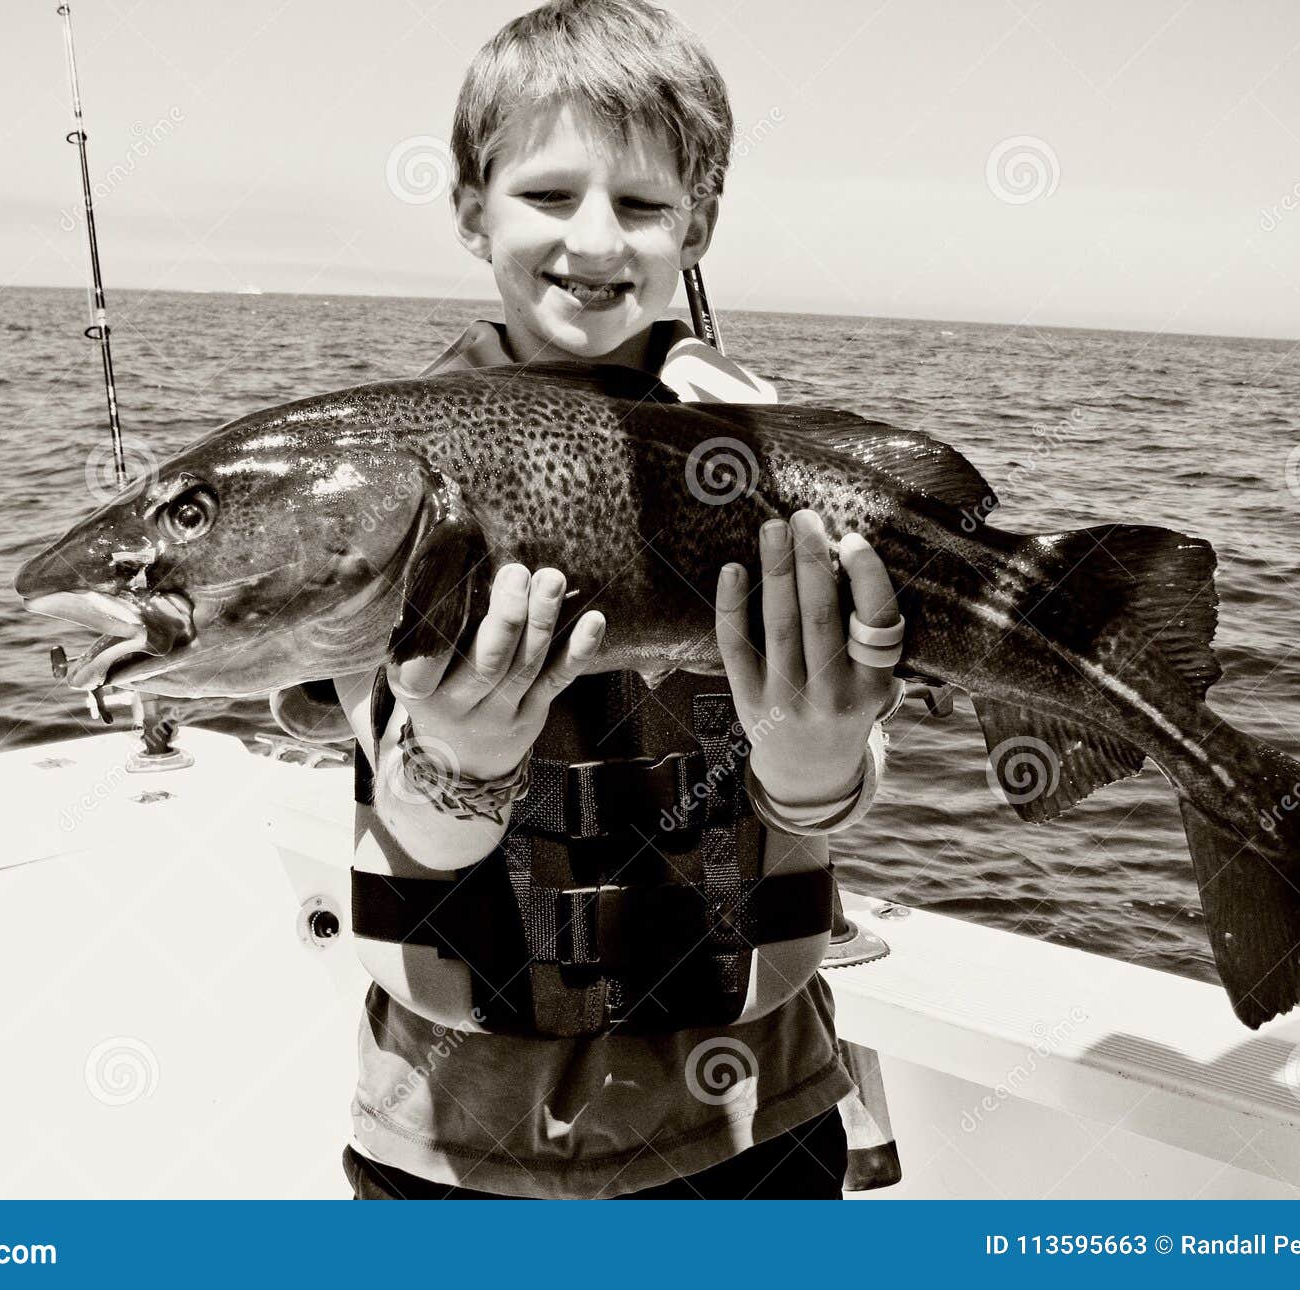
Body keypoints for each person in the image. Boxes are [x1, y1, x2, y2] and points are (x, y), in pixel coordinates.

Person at [332, 0, 907, 1200]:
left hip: (755, 1117)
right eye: (547, 194)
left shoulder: (762, 464)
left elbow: (832, 805)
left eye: (642, 206)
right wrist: (459, 759)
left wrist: (815, 755)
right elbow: (419, 840)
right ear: (466, 206)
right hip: (453, 1138)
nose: (596, 240)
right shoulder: (389, 474)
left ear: (695, 226)